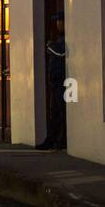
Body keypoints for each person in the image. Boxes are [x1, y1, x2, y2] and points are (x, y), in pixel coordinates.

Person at [38, 13, 67, 150]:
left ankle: (62, 140)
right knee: (55, 112)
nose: (58, 25)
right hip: (56, 82)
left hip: (65, 81)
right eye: (57, 22)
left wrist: (50, 46)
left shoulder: (62, 41)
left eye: (59, 22)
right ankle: (51, 139)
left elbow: (61, 53)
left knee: (62, 112)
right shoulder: (60, 39)